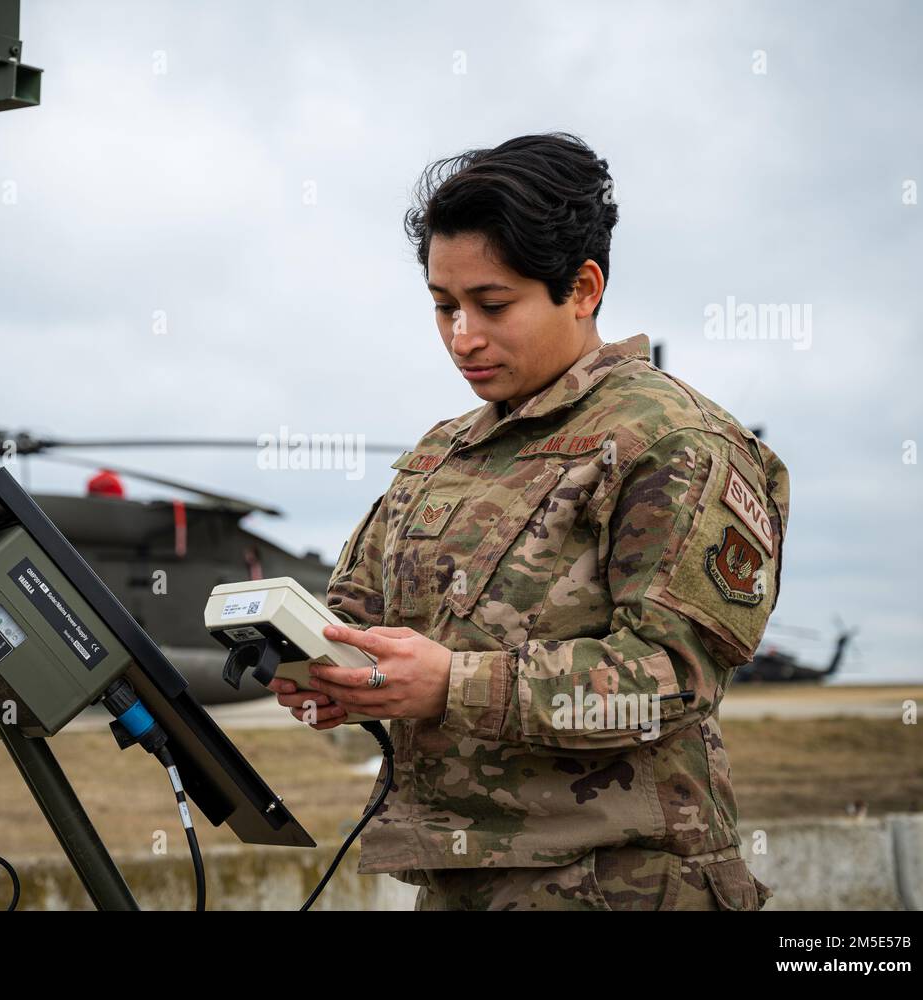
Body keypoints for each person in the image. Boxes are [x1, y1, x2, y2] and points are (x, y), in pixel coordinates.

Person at [268, 133, 789, 911]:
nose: (462, 337)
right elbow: (357, 613)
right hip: (458, 883)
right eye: (444, 307)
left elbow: (674, 681)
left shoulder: (675, 443)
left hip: (625, 886)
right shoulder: (439, 455)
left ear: (581, 288)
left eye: (492, 304)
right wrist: (331, 672)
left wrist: (453, 685)